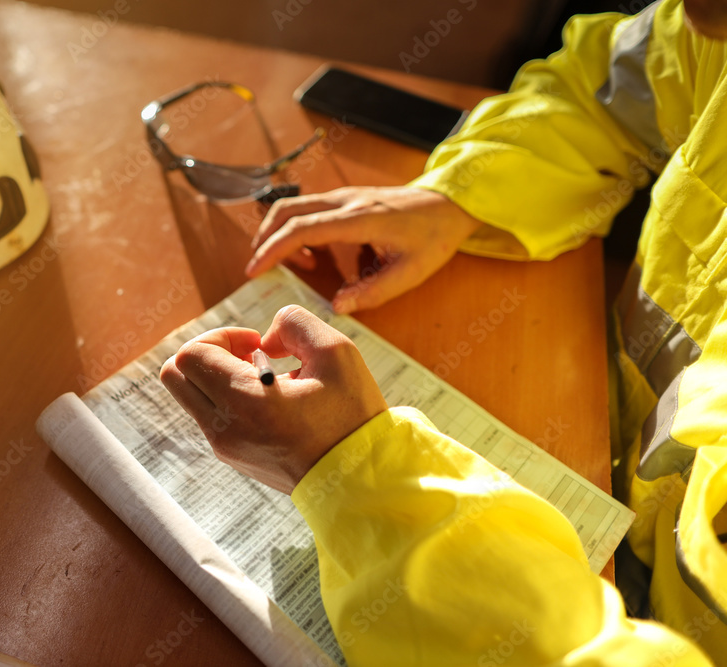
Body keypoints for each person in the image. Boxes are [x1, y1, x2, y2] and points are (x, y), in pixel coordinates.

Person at [159, 0, 727, 664]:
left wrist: (356, 479)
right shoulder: (708, 25)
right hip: (609, 477)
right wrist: (461, 195)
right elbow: (607, 87)